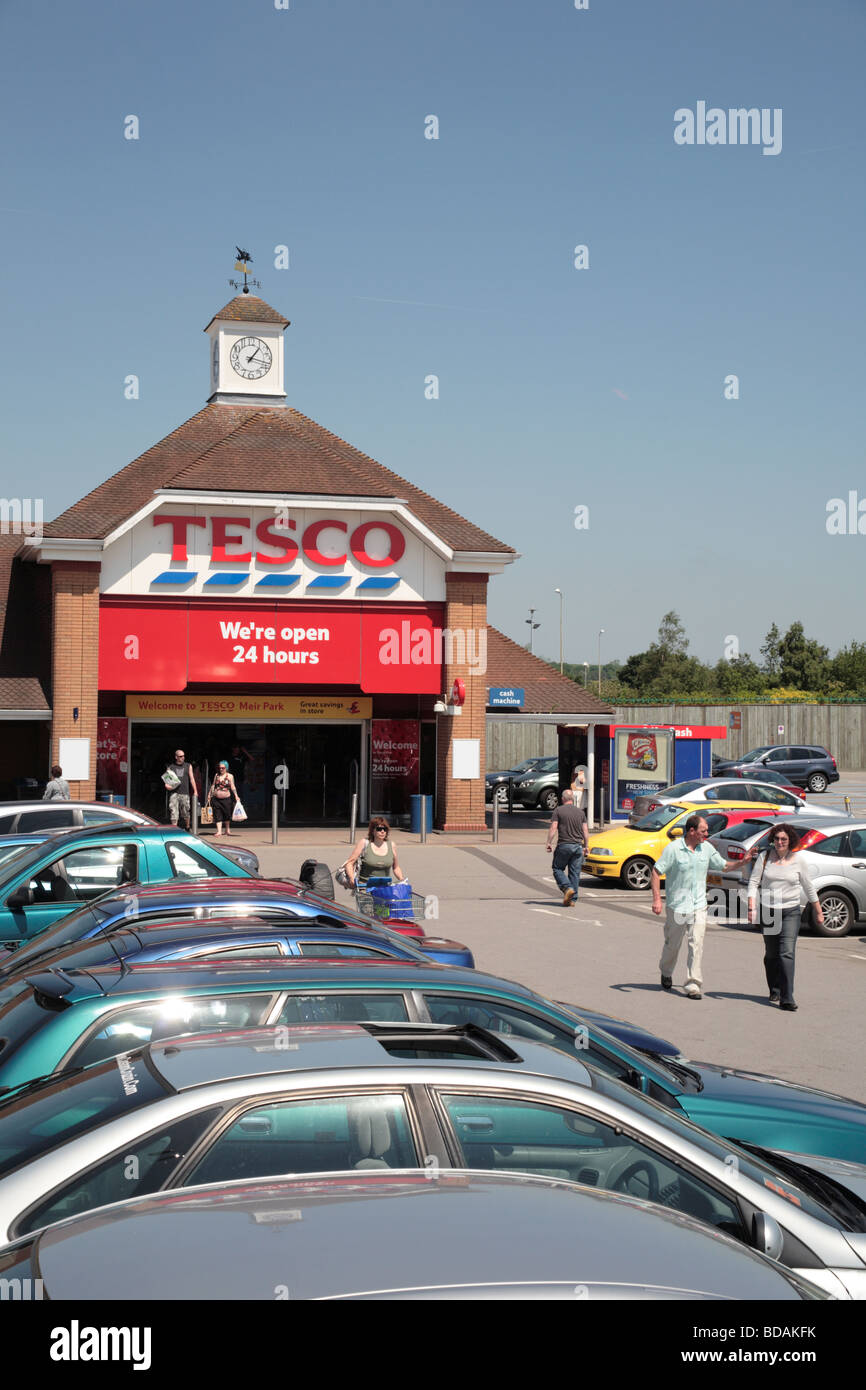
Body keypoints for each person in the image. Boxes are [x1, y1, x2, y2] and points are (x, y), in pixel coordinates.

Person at [651, 813, 754, 999]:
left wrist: (743, 862)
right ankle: (666, 971)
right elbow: (656, 872)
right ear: (691, 831)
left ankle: (693, 984)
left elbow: (723, 866)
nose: (707, 834)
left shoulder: (706, 848)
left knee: (696, 944)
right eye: (703, 831)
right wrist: (657, 899)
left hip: (699, 905)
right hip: (677, 906)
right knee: (672, 945)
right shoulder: (673, 849)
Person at [747, 823, 822, 1012]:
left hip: (790, 911)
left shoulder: (798, 860)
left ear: (790, 841)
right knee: (772, 954)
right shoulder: (765, 858)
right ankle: (775, 988)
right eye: (777, 839)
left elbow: (809, 886)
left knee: (786, 952)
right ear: (773, 840)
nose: (780, 842)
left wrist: (818, 910)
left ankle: (787, 998)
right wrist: (751, 907)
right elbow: (754, 882)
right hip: (769, 911)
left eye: (784, 839)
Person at [546, 788, 588, 906]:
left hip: (564, 845)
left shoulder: (558, 810)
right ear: (572, 799)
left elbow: (554, 827)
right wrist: (586, 846)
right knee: (575, 873)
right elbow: (585, 830)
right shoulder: (581, 812)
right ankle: (572, 899)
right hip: (578, 846)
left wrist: (549, 842)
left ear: (563, 799)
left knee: (557, 868)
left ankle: (568, 888)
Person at [345, 817, 405, 887]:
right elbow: (349, 863)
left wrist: (401, 879)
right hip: (365, 886)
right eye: (379, 829)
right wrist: (352, 878)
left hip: (384, 887)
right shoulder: (364, 843)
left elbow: (396, 867)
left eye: (385, 829)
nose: (382, 831)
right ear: (373, 831)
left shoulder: (391, 845)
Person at [164, 749, 198, 830]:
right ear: (176, 757)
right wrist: (168, 787)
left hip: (184, 792)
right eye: (180, 756)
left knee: (186, 811)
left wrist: (195, 790)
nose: (182, 757)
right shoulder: (171, 767)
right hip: (174, 792)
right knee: (173, 811)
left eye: (183, 756)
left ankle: (187, 826)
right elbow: (167, 782)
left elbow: (192, 779)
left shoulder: (188, 765)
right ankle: (174, 829)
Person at [207, 760, 238, 837]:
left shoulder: (230, 776)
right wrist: (209, 794)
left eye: (223, 768)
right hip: (216, 798)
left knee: (227, 814)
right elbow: (213, 785)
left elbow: (233, 787)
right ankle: (219, 831)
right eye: (220, 768)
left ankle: (227, 830)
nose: (221, 769)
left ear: (226, 768)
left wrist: (236, 795)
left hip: (226, 798)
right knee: (218, 814)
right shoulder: (216, 775)